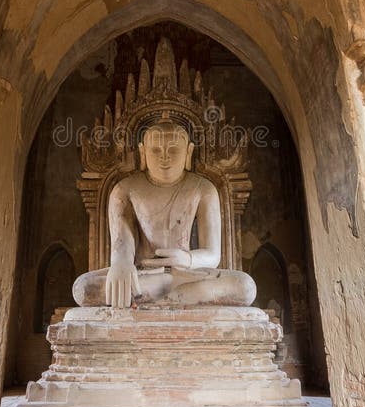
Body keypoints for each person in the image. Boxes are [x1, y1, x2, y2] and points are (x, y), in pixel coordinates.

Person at [72, 115, 256, 308]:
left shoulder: (204, 188)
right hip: (145, 275)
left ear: (188, 153)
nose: (164, 157)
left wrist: (187, 259)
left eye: (174, 150)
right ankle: (176, 300)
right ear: (142, 153)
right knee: (83, 288)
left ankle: (157, 301)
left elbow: (212, 254)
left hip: (186, 274)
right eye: (156, 150)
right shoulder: (124, 189)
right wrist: (121, 265)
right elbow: (122, 242)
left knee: (245, 286)